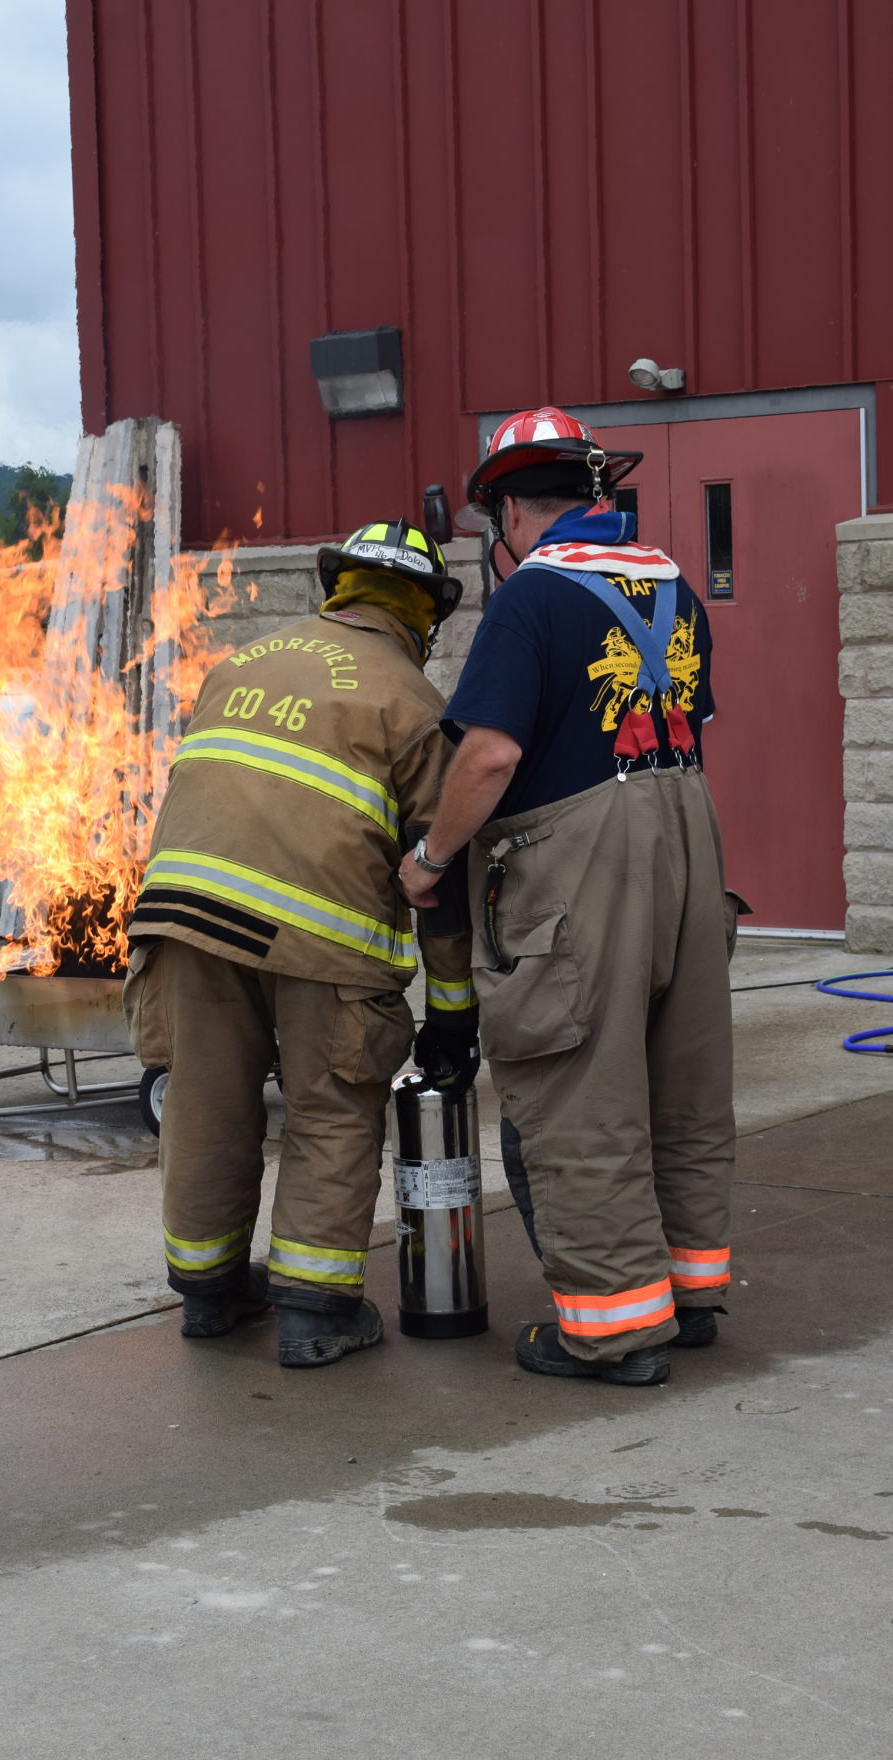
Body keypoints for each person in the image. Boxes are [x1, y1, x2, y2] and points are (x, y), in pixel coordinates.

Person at [399, 408, 734, 1388]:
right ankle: (689, 1293)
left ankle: (614, 1330)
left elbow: (491, 752)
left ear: (505, 509)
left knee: (581, 1084)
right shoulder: (671, 581)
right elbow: (689, 722)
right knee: (681, 1078)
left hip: (580, 862)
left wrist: (430, 854)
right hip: (685, 839)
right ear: (593, 493)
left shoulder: (530, 597)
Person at [124, 520, 479, 1368]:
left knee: (206, 1105)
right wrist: (454, 1007)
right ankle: (316, 1313)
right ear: (423, 613)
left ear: (337, 585)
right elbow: (441, 871)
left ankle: (208, 1296)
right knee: (332, 1107)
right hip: (320, 938)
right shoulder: (415, 702)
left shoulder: (238, 664)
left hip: (182, 919)